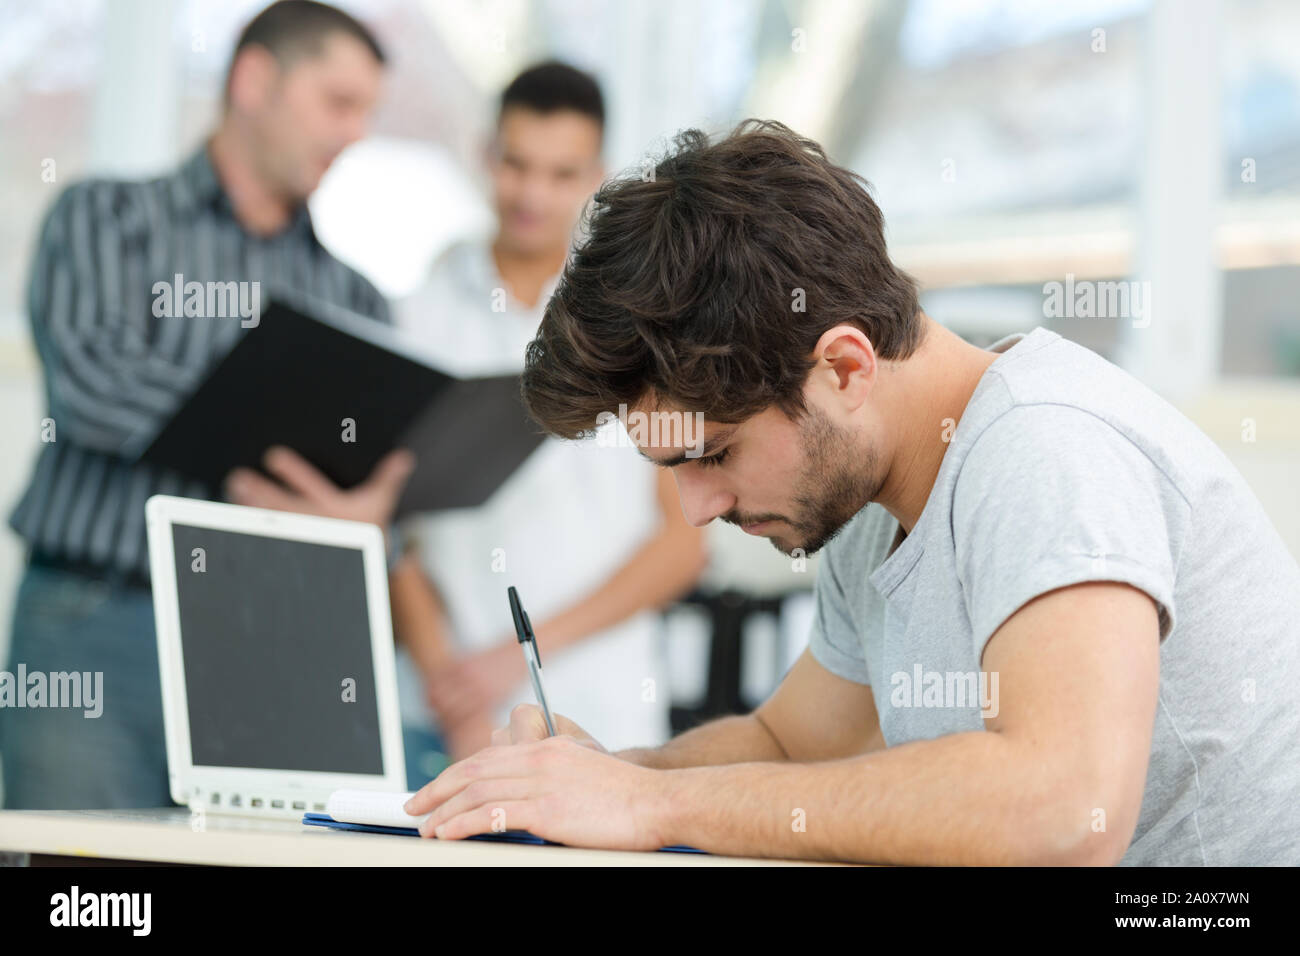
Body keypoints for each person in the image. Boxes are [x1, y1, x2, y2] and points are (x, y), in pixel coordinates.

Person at [403, 119, 1300, 866]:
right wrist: (612, 778)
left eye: (711, 453)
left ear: (842, 366)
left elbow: (1068, 812)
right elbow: (788, 744)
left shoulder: (1046, 448)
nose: (697, 509)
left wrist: (652, 810)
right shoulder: (880, 502)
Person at [1, 0, 408, 810]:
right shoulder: (106, 218)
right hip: (97, 626)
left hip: (274, 641)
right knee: (83, 882)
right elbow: (94, 391)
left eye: (367, 110)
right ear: (254, 80)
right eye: (338, 102)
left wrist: (371, 525)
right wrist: (276, 448)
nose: (355, 131)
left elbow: (372, 498)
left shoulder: (356, 299)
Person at [388, 62, 708, 777]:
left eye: (561, 174)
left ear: (596, 173)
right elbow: (387, 524)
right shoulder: (414, 318)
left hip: (605, 715)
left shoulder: (645, 326)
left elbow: (682, 543)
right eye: (516, 165)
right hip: (440, 716)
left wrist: (515, 659)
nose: (532, 194)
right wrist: (455, 683)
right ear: (485, 156)